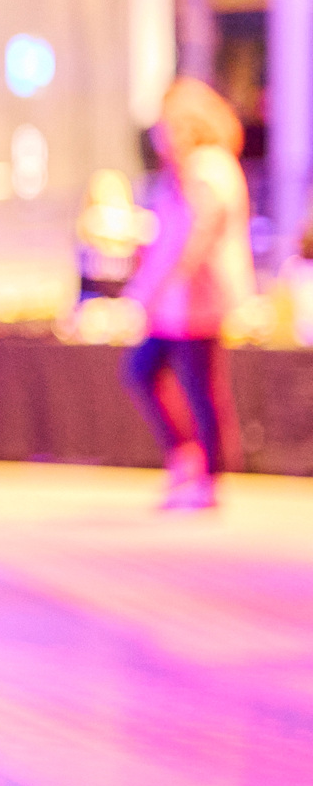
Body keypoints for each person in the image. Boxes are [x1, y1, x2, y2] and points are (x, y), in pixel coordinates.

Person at [122, 78, 253, 510]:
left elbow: (194, 238)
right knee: (148, 370)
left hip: (196, 298)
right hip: (178, 300)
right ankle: (189, 462)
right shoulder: (185, 169)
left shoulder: (208, 168)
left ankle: (206, 475)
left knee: (201, 385)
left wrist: (156, 289)